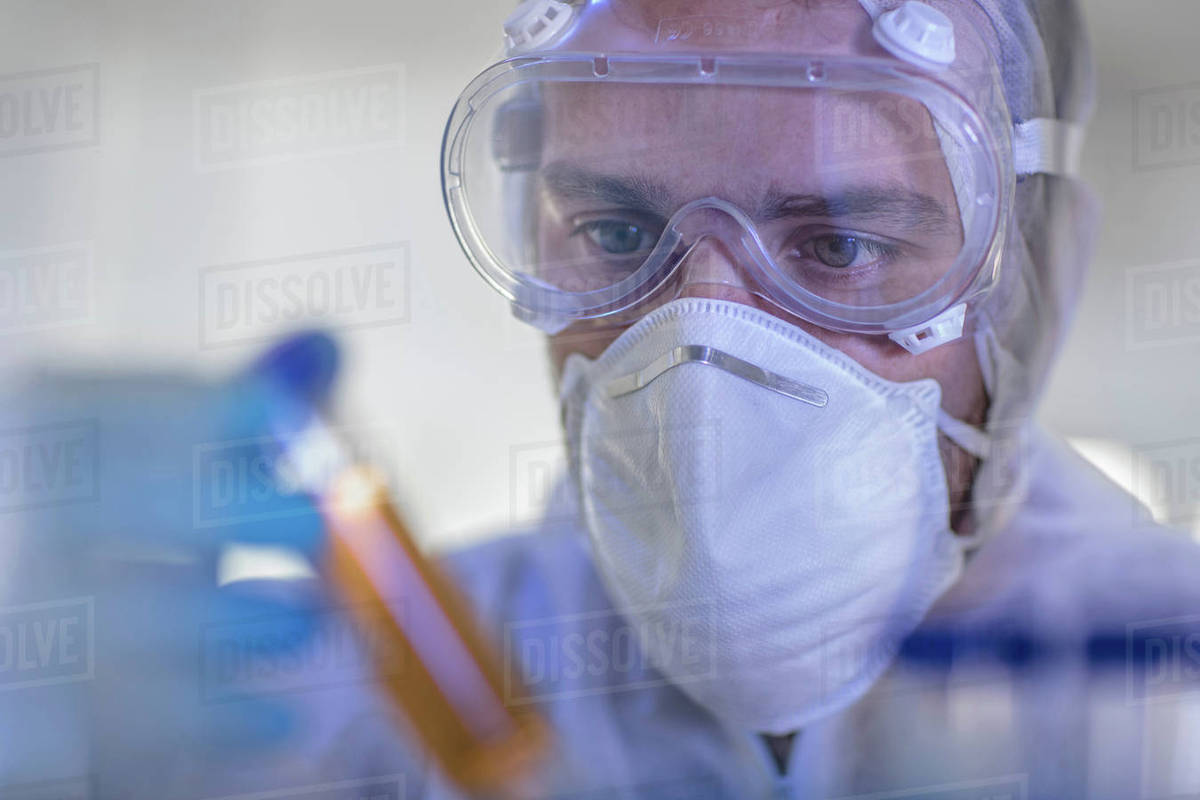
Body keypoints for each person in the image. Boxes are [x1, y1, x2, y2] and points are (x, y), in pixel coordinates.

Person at [2, 1, 1199, 799]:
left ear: (1032, 283)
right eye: (619, 232)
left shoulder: (1164, 712)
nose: (699, 343)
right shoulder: (377, 694)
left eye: (835, 244)